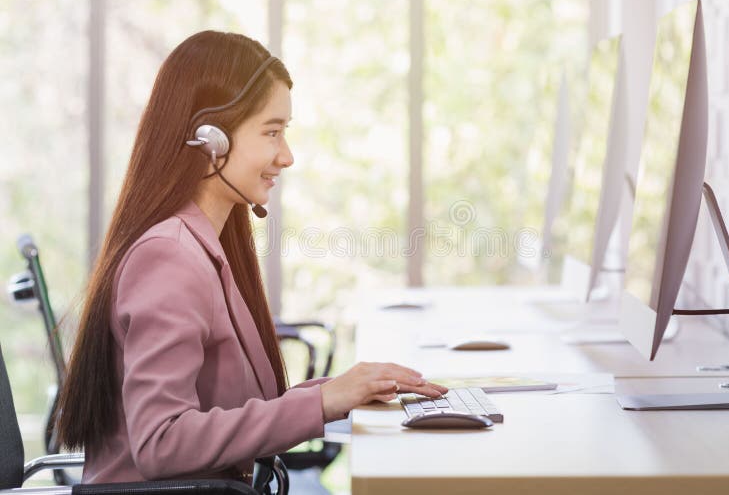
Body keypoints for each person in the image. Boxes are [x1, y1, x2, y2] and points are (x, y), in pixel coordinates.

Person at [56, 30, 447, 483]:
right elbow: (160, 442)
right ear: (211, 139)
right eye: (272, 132)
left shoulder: (206, 246)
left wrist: (350, 388)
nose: (287, 156)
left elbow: (232, 412)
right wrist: (323, 402)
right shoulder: (168, 258)